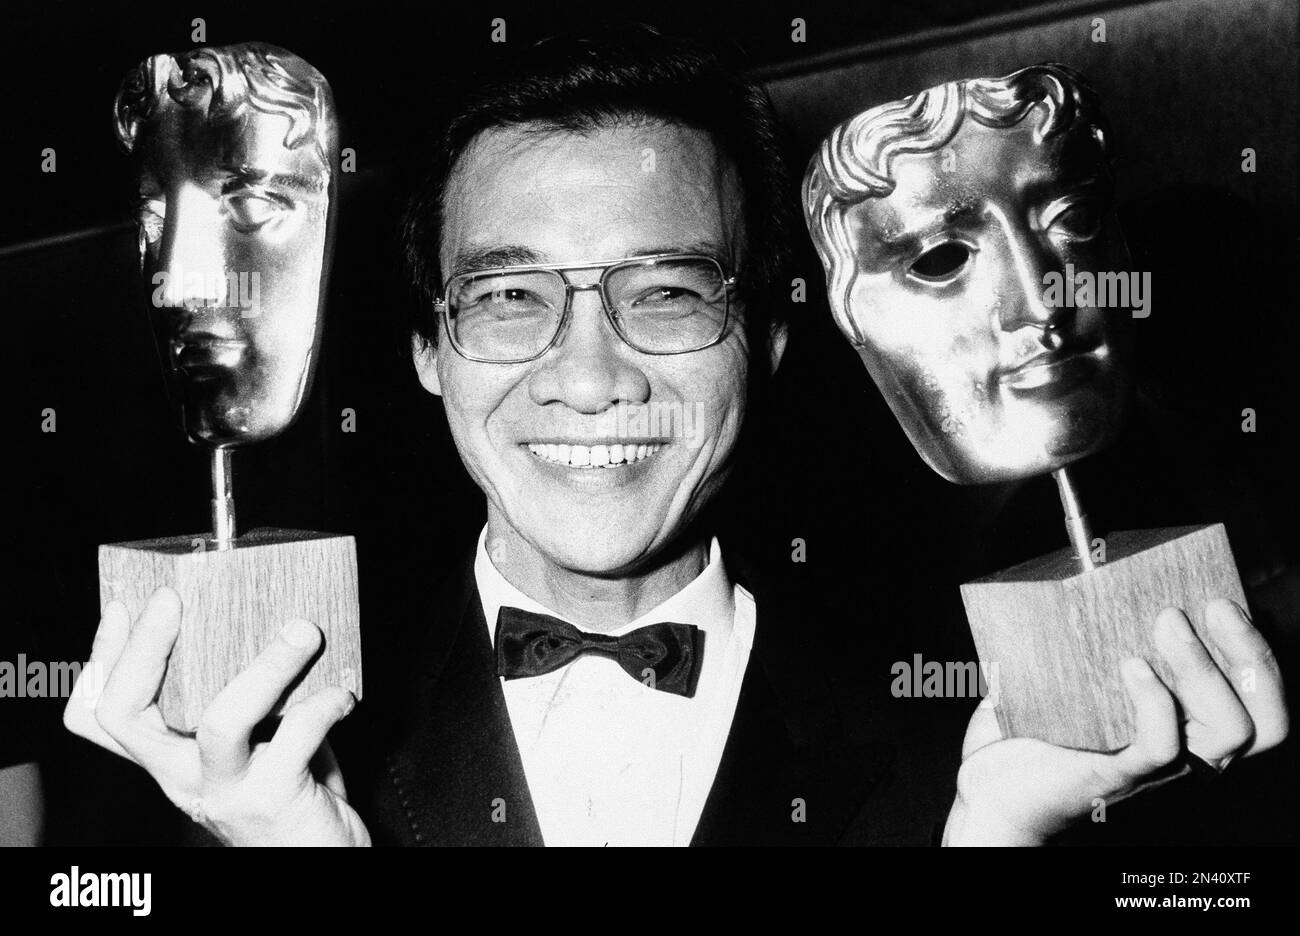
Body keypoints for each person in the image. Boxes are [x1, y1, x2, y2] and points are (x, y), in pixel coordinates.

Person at [64, 26, 1287, 846]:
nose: (590, 379)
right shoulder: (195, 757)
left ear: (765, 344)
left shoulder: (969, 750)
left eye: (668, 292)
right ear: (426, 355)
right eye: (507, 298)